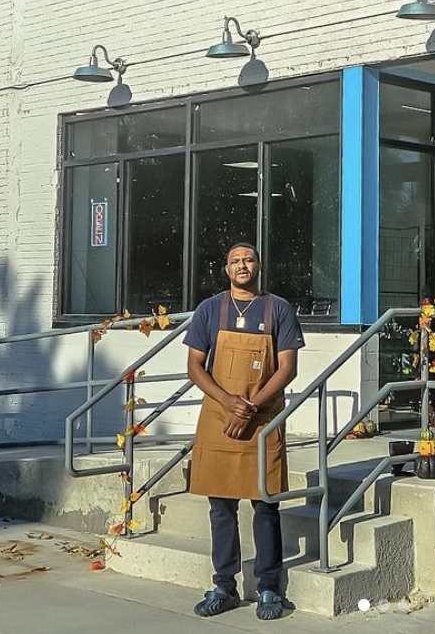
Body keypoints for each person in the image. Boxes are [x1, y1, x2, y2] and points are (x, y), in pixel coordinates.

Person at [184, 241, 305, 621]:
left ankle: (269, 586)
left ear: (259, 265)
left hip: (263, 419)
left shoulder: (278, 309)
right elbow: (195, 367)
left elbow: (287, 368)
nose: (242, 265)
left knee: (265, 503)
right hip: (220, 417)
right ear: (226, 268)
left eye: (248, 259)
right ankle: (224, 585)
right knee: (220, 506)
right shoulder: (209, 310)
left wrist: (250, 408)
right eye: (235, 261)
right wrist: (228, 402)